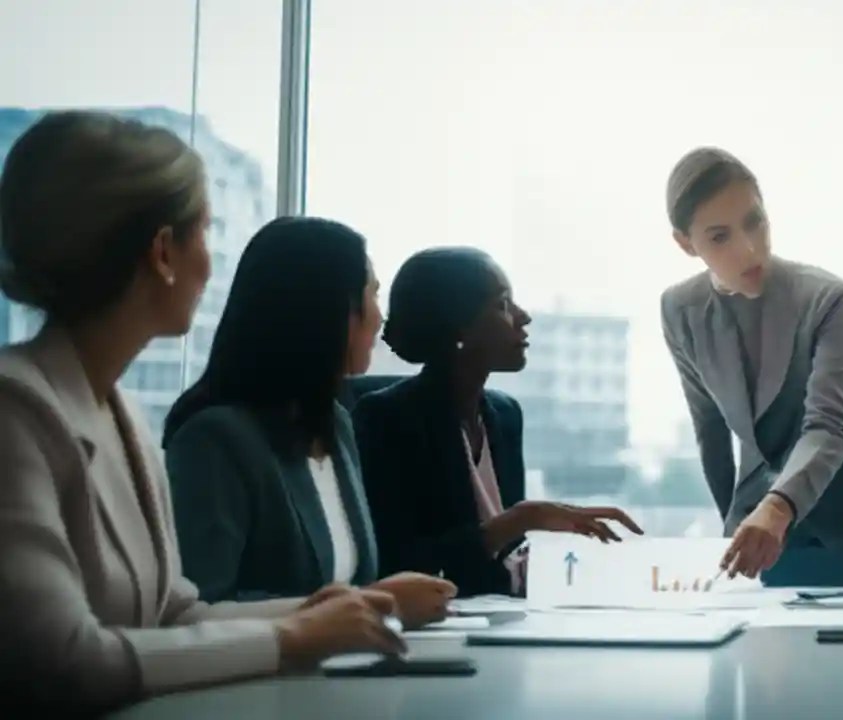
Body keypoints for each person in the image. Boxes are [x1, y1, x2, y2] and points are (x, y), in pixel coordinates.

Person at [0, 111, 405, 714]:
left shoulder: (121, 413)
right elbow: (64, 663)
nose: (211, 265)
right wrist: (289, 638)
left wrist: (333, 610)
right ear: (164, 252)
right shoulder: (15, 411)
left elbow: (175, 615)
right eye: (205, 235)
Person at [162, 217, 455, 626]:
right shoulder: (214, 440)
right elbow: (195, 613)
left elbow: (351, 587)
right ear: (330, 309)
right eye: (371, 294)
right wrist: (376, 603)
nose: (378, 317)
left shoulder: (336, 425)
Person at [660, 147, 843, 582]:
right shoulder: (680, 309)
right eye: (720, 236)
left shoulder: (829, 298)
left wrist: (776, 507)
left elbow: (826, 424)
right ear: (686, 243)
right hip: (763, 500)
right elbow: (709, 429)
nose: (749, 249)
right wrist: (734, 526)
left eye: (754, 221)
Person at [353, 247, 644, 597]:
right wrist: (520, 520)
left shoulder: (505, 414)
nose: (523, 317)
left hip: (503, 612)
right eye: (503, 304)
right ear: (458, 325)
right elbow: (397, 562)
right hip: (437, 621)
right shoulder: (387, 418)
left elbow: (510, 556)